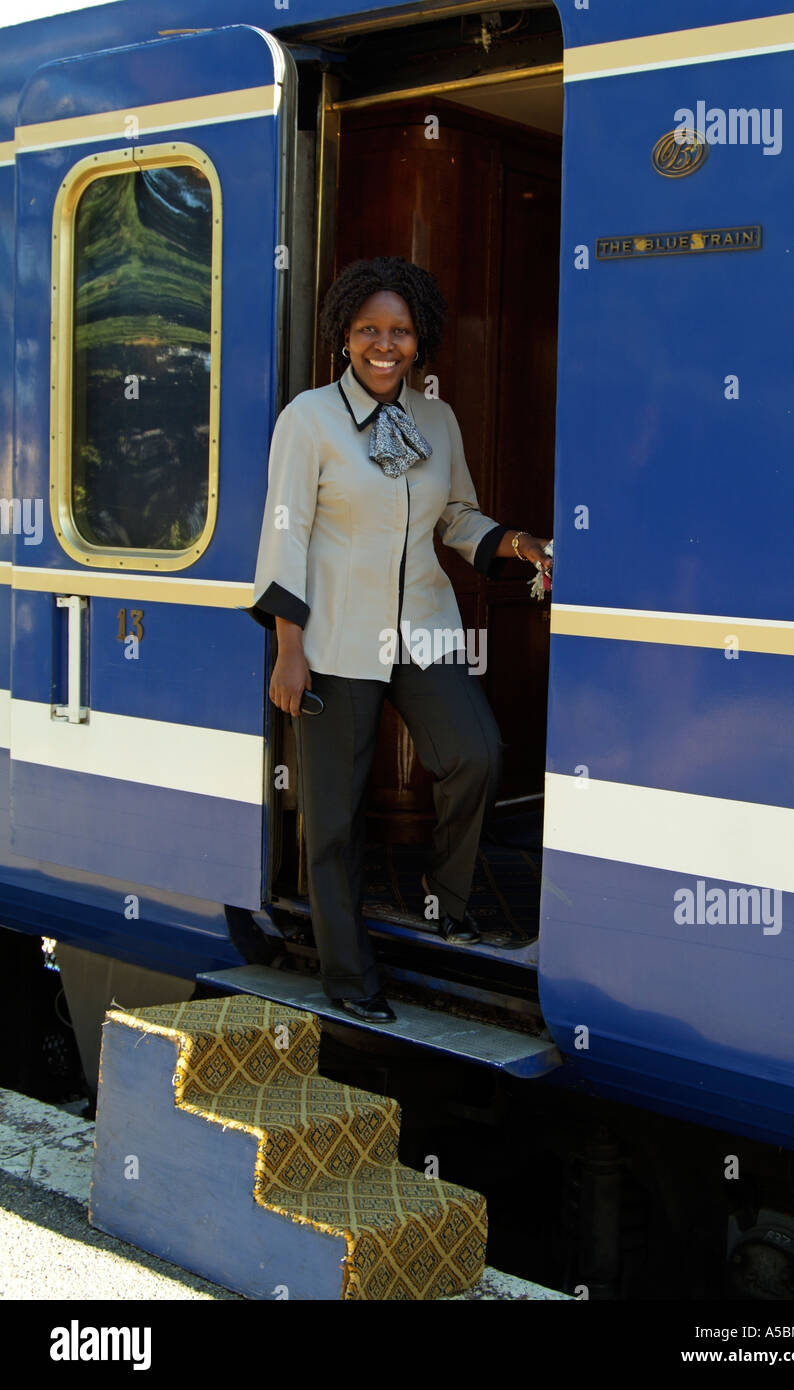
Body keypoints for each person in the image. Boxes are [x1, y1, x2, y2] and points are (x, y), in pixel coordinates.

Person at [247, 257, 551, 1023]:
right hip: (334, 639)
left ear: (421, 340)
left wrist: (518, 545)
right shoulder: (308, 419)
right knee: (336, 818)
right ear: (343, 337)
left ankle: (446, 901)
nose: (385, 345)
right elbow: (286, 535)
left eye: (400, 332)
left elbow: (455, 518)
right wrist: (290, 647)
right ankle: (350, 979)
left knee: (476, 754)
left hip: (422, 627)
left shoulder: (435, 420)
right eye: (368, 331)